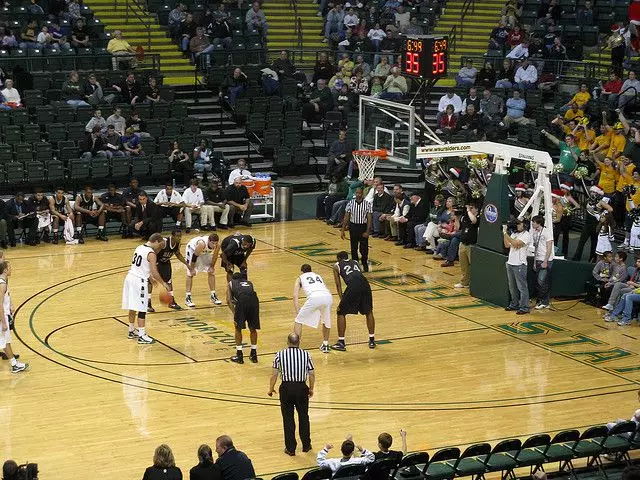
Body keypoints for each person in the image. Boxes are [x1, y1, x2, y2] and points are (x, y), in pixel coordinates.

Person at [269, 332, 315, 456]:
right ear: (299, 342)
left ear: (288, 342)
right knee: (304, 417)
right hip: (301, 388)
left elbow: (274, 374)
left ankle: (291, 448)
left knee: (288, 419)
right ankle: (306, 445)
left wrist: (271, 388)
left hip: (286, 388)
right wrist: (311, 388)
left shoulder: (280, 354)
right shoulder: (306, 354)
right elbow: (311, 374)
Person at [122, 233, 170, 344]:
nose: (159, 249)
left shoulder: (139, 247)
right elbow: (154, 271)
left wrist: (151, 279)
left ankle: (131, 330)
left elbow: (141, 267)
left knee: (133, 306)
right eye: (160, 245)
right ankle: (142, 335)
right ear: (156, 241)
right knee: (142, 308)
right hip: (139, 281)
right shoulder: (151, 253)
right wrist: (163, 283)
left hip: (130, 278)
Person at [332, 251, 375, 351]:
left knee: (340, 311)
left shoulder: (336, 265)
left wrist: (341, 299)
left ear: (338, 259)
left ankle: (341, 342)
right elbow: (358, 274)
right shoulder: (355, 262)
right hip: (365, 284)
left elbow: (338, 285)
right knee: (368, 311)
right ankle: (372, 340)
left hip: (353, 286)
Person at [293, 264, 333, 351]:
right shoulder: (318, 276)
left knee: (299, 320)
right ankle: (325, 345)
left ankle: (295, 347)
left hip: (314, 297)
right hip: (328, 296)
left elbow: (295, 295)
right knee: (326, 321)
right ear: (311, 270)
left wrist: (297, 311)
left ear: (302, 271)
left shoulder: (300, 277)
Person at [149, 229, 188, 311]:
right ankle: (147, 303)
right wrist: (152, 264)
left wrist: (187, 264)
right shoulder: (164, 242)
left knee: (169, 282)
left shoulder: (177, 244)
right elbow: (153, 252)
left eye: (180, 236)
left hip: (165, 262)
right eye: (177, 236)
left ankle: (172, 302)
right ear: (172, 236)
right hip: (156, 261)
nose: (179, 238)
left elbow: (178, 254)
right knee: (150, 281)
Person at [227, 271, 260, 364]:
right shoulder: (249, 283)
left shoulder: (231, 283)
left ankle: (239, 355)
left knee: (238, 328)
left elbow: (228, 301)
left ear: (233, 279)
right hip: (254, 301)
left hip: (242, 301)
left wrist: (235, 313)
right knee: (253, 328)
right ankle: (254, 354)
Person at [0, 262, 27, 373]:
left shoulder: (3, 282)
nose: (12, 269)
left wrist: (10, 304)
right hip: (2, 316)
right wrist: (3, 322)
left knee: (5, 341)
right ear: (5, 270)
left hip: (4, 314)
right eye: (10, 267)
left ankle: (14, 363)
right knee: (4, 341)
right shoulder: (2, 284)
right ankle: (14, 364)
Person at [503, 218, 532, 314]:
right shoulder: (514, 234)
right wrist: (505, 233)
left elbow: (515, 244)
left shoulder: (526, 235)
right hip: (510, 262)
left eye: (519, 224)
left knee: (522, 287)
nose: (517, 226)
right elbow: (507, 245)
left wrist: (506, 234)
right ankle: (514, 304)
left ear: (525, 225)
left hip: (520, 264)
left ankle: (524, 307)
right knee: (512, 286)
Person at [185, 234, 222, 308]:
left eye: (215, 243)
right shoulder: (202, 244)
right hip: (193, 250)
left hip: (205, 252)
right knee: (190, 274)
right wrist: (192, 269)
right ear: (208, 241)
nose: (214, 245)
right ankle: (187, 298)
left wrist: (212, 266)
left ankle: (213, 295)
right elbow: (195, 256)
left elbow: (215, 255)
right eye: (212, 243)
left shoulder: (217, 245)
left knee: (211, 272)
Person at [341, 187, 373, 272]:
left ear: (362, 194)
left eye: (360, 193)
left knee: (364, 248)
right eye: (357, 193)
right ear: (355, 193)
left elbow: (369, 219)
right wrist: (343, 230)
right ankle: (355, 265)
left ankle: (364, 262)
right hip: (353, 226)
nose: (358, 194)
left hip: (363, 227)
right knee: (353, 247)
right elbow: (346, 217)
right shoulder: (350, 203)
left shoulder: (367, 204)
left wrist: (367, 231)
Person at [530, 214, 554, 309]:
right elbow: (536, 248)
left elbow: (549, 247)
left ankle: (544, 301)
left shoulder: (547, 232)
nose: (532, 224)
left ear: (538, 223)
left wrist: (545, 261)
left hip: (545, 259)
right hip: (538, 259)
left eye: (533, 223)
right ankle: (543, 300)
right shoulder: (535, 233)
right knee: (540, 282)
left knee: (541, 281)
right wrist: (535, 262)